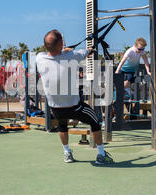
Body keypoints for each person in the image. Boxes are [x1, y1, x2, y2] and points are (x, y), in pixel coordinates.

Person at [36, 29, 114, 164]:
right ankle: (101, 154)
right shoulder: (71, 56)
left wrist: (62, 49)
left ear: (45, 46)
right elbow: (86, 51)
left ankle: (67, 153)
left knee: (62, 125)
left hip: (55, 108)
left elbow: (54, 53)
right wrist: (90, 49)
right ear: (61, 45)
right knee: (95, 122)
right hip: (75, 107)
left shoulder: (39, 58)